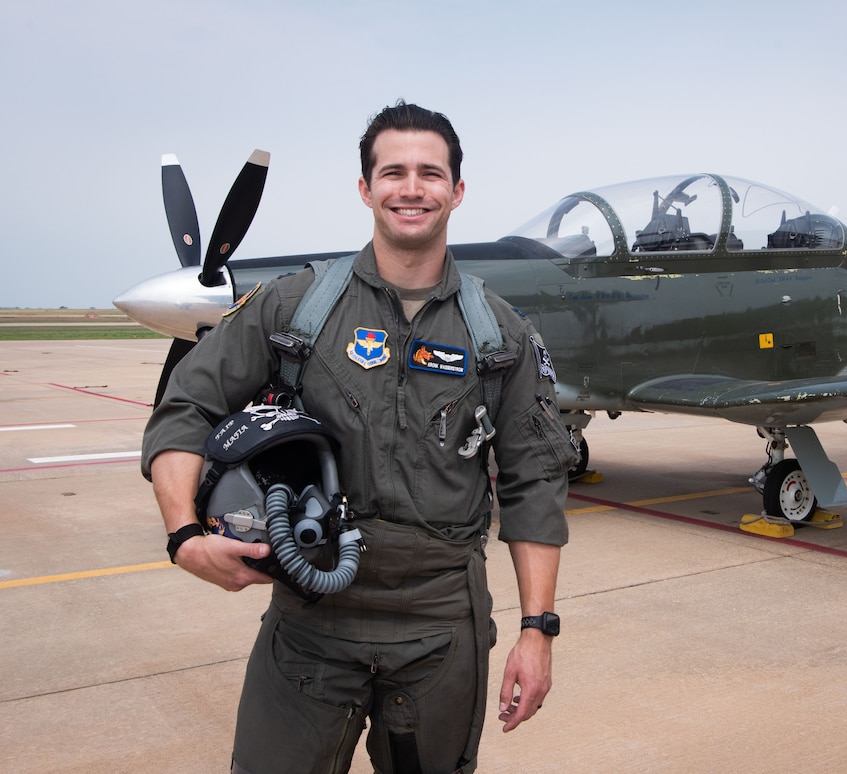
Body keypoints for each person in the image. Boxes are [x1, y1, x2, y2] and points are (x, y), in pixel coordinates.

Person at [142, 101, 577, 774]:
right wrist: (182, 536)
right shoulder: (295, 308)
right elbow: (185, 405)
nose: (411, 188)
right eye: (393, 171)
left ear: (457, 191)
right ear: (365, 188)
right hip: (310, 623)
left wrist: (537, 630)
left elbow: (534, 481)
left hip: (440, 629)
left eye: (430, 173)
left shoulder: (500, 335)